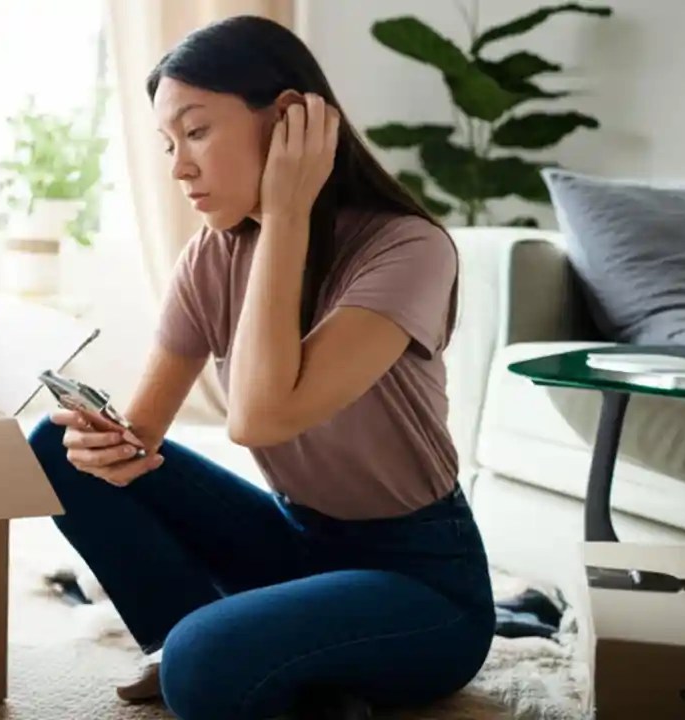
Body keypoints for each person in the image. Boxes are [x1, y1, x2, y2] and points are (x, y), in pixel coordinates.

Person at [27, 14, 495, 720]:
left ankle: (246, 654)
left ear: (288, 121)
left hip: (422, 579)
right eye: (168, 143)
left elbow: (258, 419)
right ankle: (255, 654)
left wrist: (286, 215)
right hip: (297, 540)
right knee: (53, 448)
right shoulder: (210, 255)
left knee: (204, 662)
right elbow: (140, 439)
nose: (179, 167)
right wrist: (105, 448)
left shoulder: (409, 249)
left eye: (197, 131)